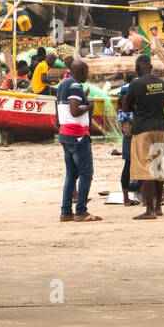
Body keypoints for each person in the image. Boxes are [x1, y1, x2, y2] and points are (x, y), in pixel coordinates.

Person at [125, 55, 164, 220]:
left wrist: (135, 105)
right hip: (159, 127)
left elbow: (125, 107)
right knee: (157, 168)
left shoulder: (136, 83)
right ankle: (158, 207)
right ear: (151, 67)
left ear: (137, 69)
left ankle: (149, 210)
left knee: (146, 169)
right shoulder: (162, 83)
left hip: (143, 128)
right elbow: (162, 104)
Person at [55, 60, 99, 223]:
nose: (87, 76)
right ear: (81, 72)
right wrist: (88, 105)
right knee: (86, 174)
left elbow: (65, 108)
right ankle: (81, 211)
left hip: (65, 134)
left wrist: (82, 100)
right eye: (86, 72)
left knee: (71, 175)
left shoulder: (62, 85)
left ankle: (66, 212)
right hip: (78, 135)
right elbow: (74, 110)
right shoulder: (74, 86)